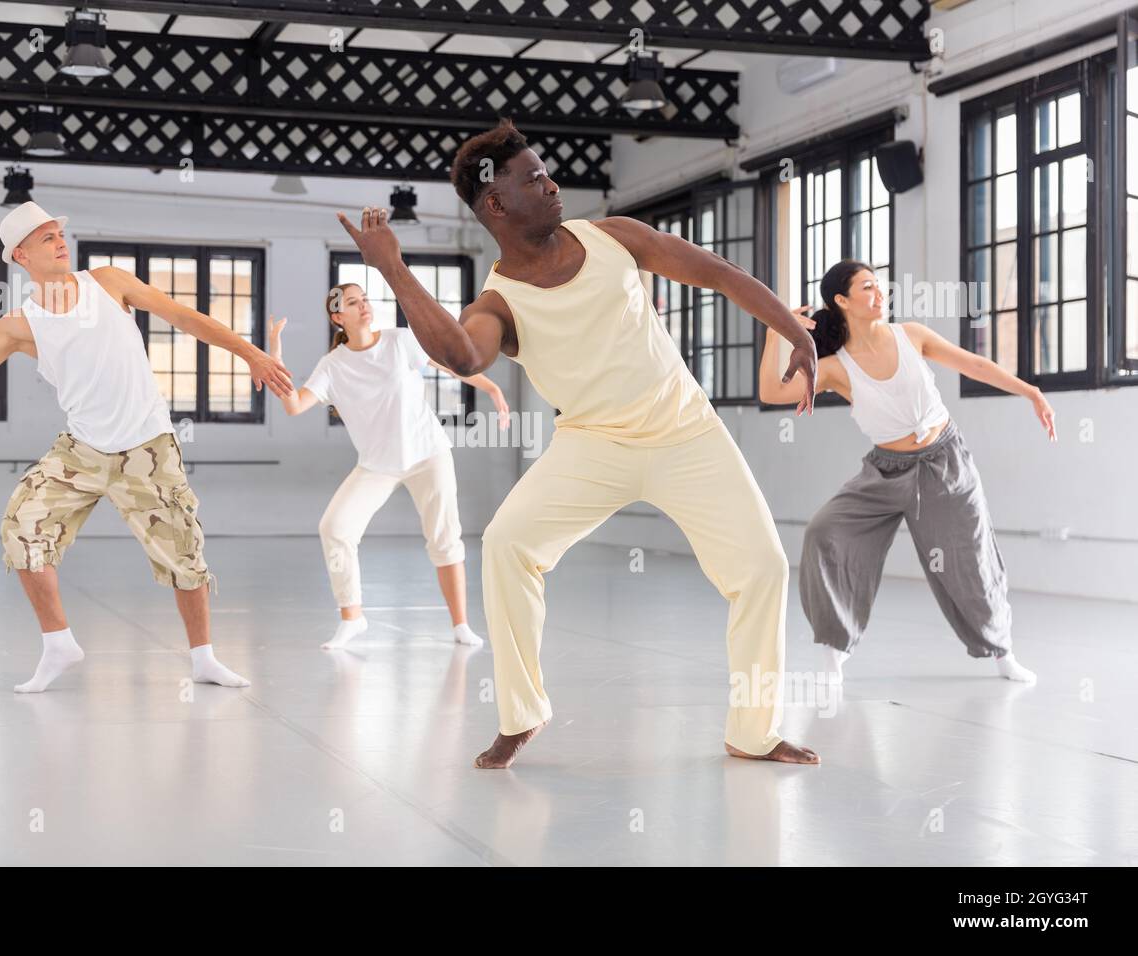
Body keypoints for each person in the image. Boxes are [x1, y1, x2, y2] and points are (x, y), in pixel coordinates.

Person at [339, 120, 822, 769]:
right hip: (592, 443)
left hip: (685, 430)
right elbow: (459, 353)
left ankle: (754, 731)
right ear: (497, 203)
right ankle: (522, 713)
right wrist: (393, 269)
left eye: (547, 172)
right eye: (534, 179)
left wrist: (795, 331)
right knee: (508, 545)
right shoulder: (498, 303)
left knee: (763, 568)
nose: (552, 183)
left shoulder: (614, 237)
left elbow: (720, 273)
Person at [0, 201, 293, 692]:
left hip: (147, 447)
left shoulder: (108, 281)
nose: (59, 241)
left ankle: (204, 658)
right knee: (22, 525)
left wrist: (250, 352)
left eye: (59, 232)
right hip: (82, 450)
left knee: (184, 555)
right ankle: (58, 645)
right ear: (20, 256)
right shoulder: (22, 324)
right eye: (45, 238)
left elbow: (184, 317)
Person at [758, 259, 1053, 684]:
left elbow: (974, 364)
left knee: (971, 560)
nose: (880, 294)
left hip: (944, 462)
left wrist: (1031, 391)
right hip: (885, 471)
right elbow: (771, 391)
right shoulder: (837, 367)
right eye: (867, 287)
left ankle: (1002, 651)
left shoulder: (910, 335)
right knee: (824, 533)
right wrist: (775, 332)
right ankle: (832, 654)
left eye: (879, 286)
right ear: (842, 300)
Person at [268, 281, 508, 649]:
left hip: (428, 453)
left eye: (364, 299)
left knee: (445, 538)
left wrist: (491, 388)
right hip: (378, 464)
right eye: (352, 302)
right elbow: (294, 405)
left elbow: (448, 365)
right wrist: (275, 355)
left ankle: (460, 625)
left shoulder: (400, 340)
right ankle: (353, 618)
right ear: (338, 317)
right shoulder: (332, 366)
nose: (363, 305)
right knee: (335, 528)